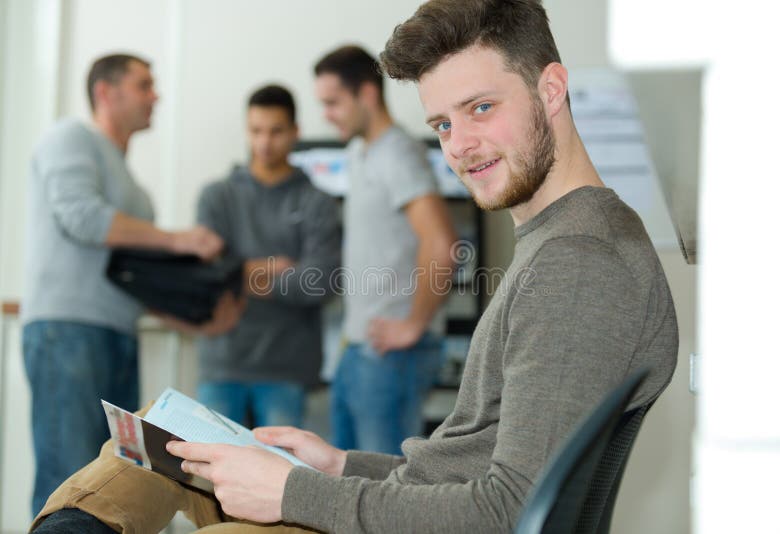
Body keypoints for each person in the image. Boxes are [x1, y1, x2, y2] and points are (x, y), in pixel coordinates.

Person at [30, 1, 679, 532]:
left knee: (166, 477)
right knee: (153, 448)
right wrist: (338, 466)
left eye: (482, 108)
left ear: (552, 88)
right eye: (443, 124)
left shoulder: (577, 264)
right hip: (391, 500)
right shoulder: (563, 242)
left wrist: (296, 495)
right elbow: (473, 472)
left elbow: (506, 510)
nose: (461, 146)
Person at [21, 53, 227, 517]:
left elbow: (135, 278)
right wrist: (180, 240)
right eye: (144, 85)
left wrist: (193, 322)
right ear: (105, 92)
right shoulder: (69, 137)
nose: (156, 95)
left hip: (116, 335)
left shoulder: (135, 190)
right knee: (65, 477)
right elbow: (82, 218)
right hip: (65, 332)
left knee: (109, 482)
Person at [314, 45, 458, 454]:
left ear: (367, 94)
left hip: (392, 356)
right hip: (359, 351)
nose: (326, 114)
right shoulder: (361, 152)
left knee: (385, 497)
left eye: (333, 103)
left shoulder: (397, 152)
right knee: (341, 489)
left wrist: (413, 324)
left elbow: (442, 242)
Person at [194, 84, 340, 428]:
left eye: (276, 131)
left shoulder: (317, 202)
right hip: (221, 362)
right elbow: (206, 278)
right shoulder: (216, 197)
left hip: (286, 368)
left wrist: (237, 275)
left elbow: (319, 283)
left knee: (278, 476)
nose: (264, 142)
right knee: (206, 476)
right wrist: (277, 269)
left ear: (295, 132)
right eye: (256, 131)